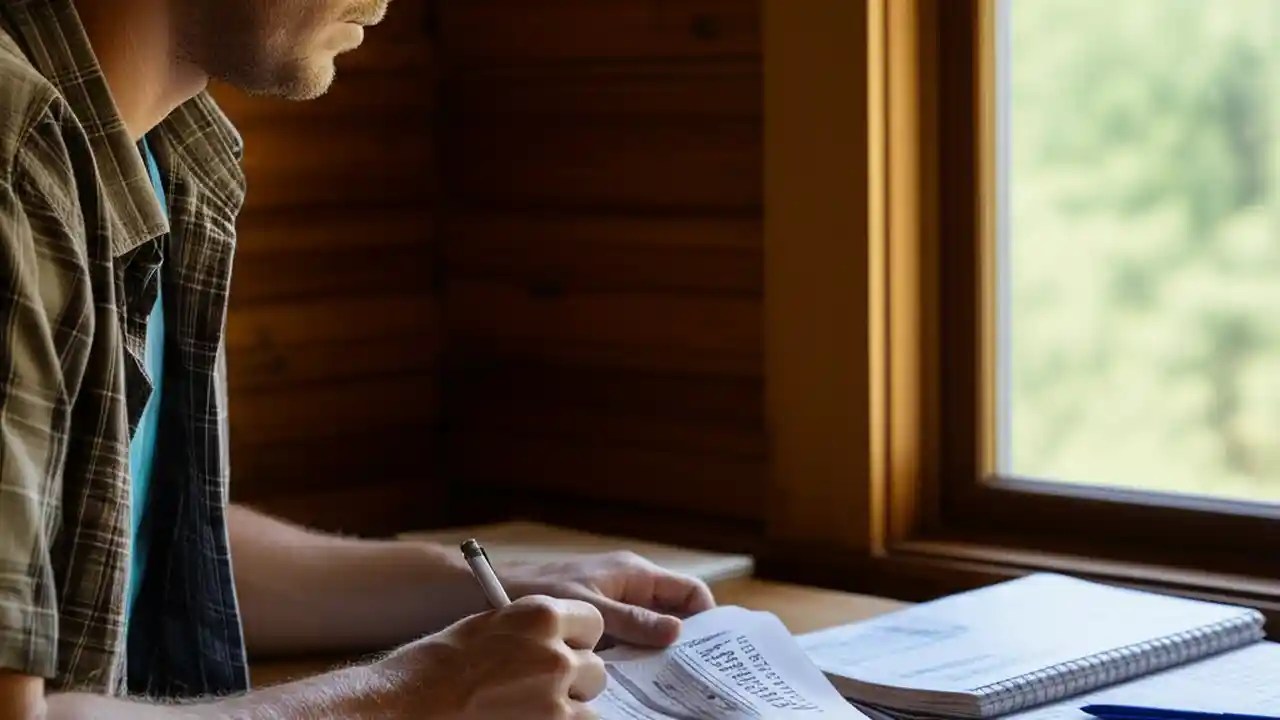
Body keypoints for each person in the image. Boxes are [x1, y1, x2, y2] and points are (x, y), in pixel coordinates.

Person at [0, 0, 717, 717]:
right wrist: (422, 692)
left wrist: (497, 590)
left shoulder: (164, 151)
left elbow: (151, 538)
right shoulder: (13, 153)